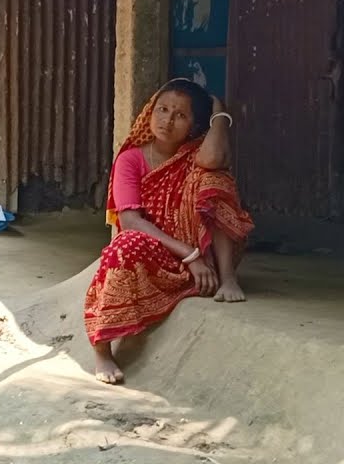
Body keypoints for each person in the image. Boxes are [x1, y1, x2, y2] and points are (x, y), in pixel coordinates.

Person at [84, 78, 254, 384]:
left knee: (215, 180)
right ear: (150, 112)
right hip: (161, 254)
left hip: (203, 256)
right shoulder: (131, 159)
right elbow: (130, 221)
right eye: (162, 110)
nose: (167, 120)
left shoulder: (195, 155)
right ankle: (103, 351)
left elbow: (214, 159)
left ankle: (228, 278)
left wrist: (219, 113)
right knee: (123, 247)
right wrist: (189, 255)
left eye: (180, 115)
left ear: (193, 125)